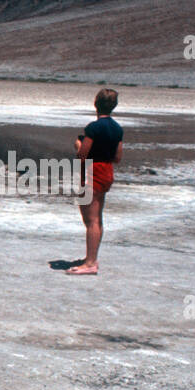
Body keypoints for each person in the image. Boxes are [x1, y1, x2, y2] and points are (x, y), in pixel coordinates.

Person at [67, 88, 123, 275]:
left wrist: (78, 145)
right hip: (107, 171)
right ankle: (91, 257)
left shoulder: (94, 127)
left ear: (96, 103)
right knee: (96, 217)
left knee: (91, 220)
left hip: (93, 171)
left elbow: (83, 155)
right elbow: (117, 157)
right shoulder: (117, 129)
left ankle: (90, 263)